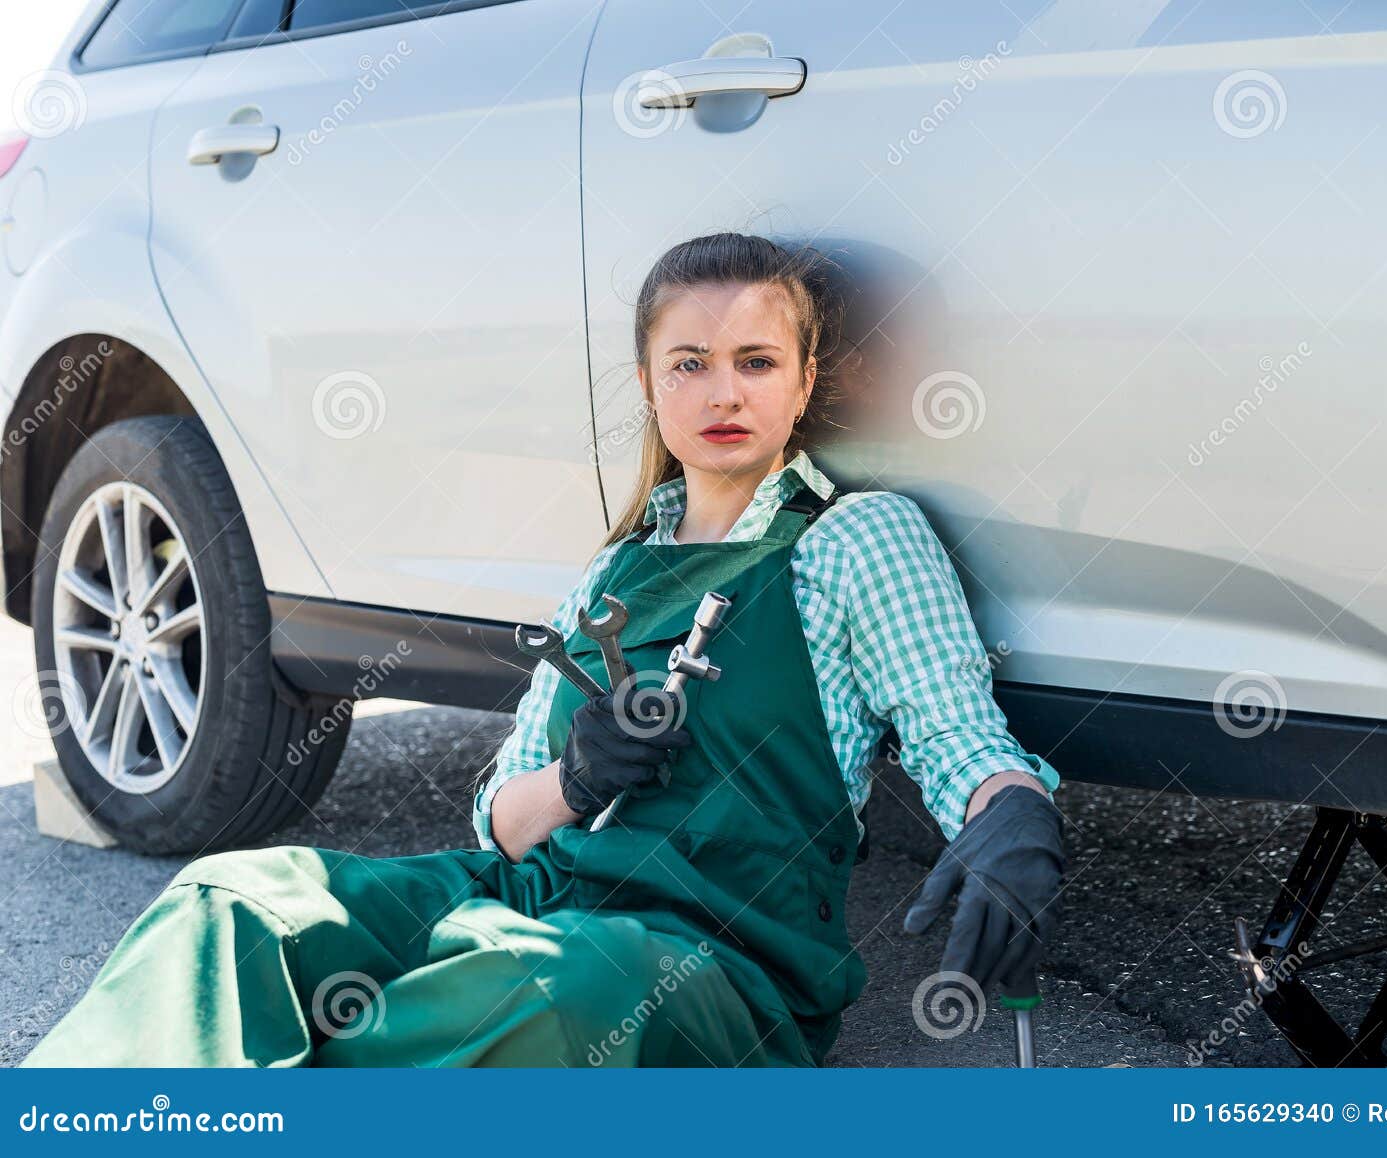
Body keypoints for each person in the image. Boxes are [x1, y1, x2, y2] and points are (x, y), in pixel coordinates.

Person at [21, 232, 1068, 1068]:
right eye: (689, 364)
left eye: (756, 363)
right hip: (531, 898)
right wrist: (576, 775)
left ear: (802, 387)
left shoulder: (853, 539)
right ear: (651, 386)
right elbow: (502, 821)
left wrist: (1011, 814)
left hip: (710, 956)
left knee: (536, 989)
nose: (722, 394)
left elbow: (954, 733)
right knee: (232, 911)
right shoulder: (603, 578)